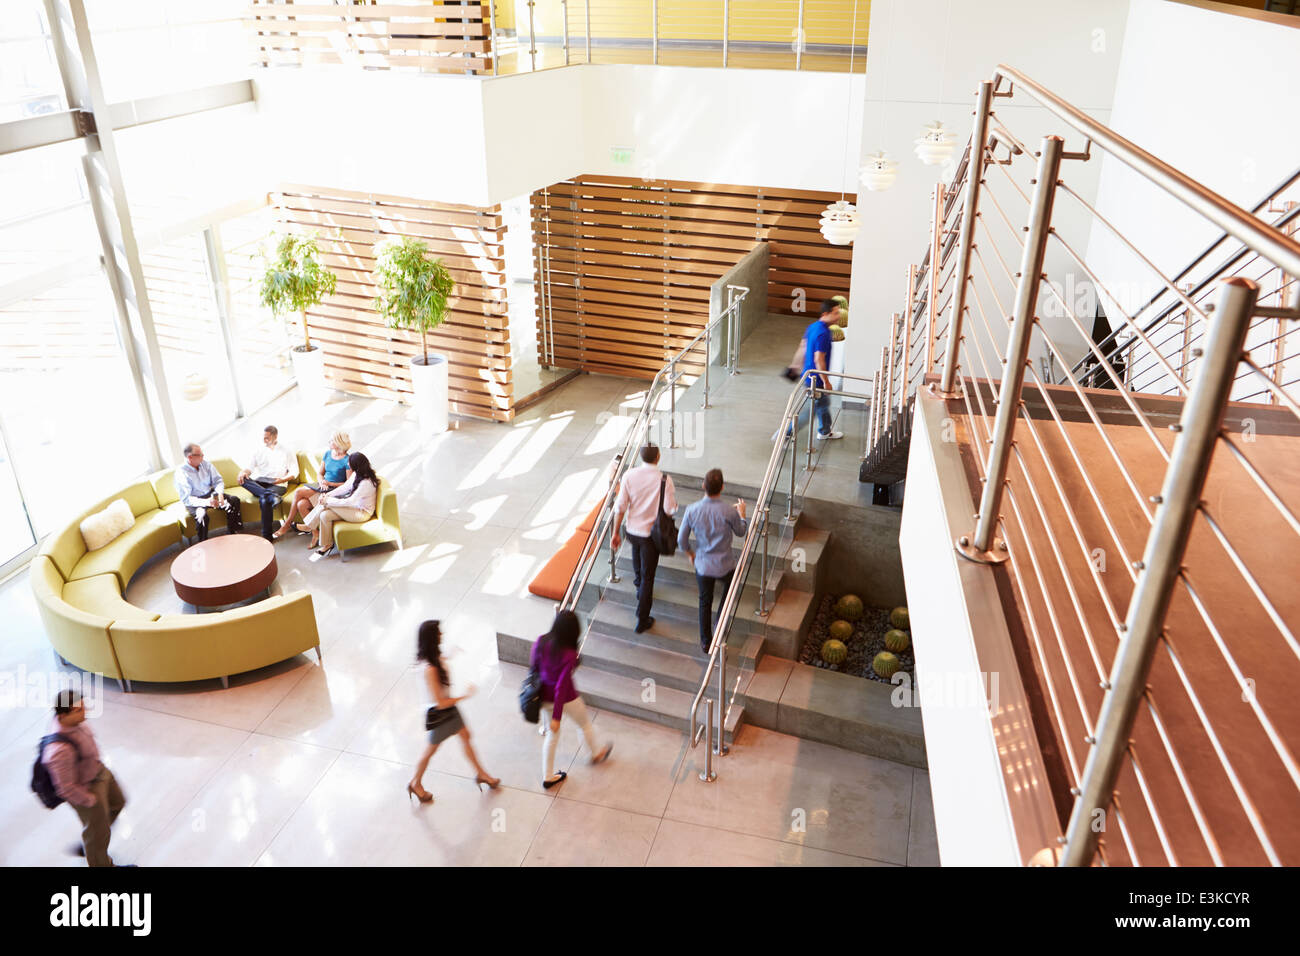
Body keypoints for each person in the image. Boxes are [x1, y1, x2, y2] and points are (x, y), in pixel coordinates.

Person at [407, 620, 499, 803]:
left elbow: (441, 661)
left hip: (449, 710)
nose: (442, 634)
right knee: (430, 750)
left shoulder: (430, 657)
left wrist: (452, 653)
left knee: (465, 735)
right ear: (432, 637)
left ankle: (481, 774)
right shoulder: (430, 669)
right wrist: (464, 696)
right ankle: (415, 783)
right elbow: (440, 703)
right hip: (440, 714)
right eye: (438, 632)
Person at [41, 690, 128, 867]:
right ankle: (100, 861)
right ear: (64, 715)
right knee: (99, 831)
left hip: (99, 772)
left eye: (83, 706)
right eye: (79, 709)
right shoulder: (58, 751)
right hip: (87, 788)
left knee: (118, 803)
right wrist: (89, 800)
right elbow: (65, 788)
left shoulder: (76, 723)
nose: (85, 711)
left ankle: (92, 841)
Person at [531, 610, 613, 789]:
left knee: (552, 735)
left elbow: (534, 668)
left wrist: (552, 718)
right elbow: (561, 687)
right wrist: (557, 717)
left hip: (543, 696)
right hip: (566, 699)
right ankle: (595, 754)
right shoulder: (569, 655)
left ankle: (548, 776)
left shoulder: (541, 641)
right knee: (583, 724)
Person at [677, 469, 748, 654]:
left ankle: (705, 642)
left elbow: (681, 540)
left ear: (703, 486)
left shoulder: (692, 510)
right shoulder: (728, 511)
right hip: (725, 565)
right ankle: (720, 621)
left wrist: (691, 554)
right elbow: (741, 532)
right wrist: (742, 514)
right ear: (722, 487)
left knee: (704, 602)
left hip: (703, 565)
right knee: (730, 588)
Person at [611, 443, 677, 634]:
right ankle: (642, 618)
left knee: (638, 559)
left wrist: (616, 532)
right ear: (658, 457)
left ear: (641, 457)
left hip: (632, 531)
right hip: (651, 535)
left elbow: (620, 506)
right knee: (649, 575)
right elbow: (670, 509)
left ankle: (639, 585)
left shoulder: (629, 475)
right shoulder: (665, 480)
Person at [774, 299, 844, 441]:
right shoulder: (823, 333)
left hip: (808, 375)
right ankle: (784, 434)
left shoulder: (813, 327)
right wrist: (826, 381)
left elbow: (802, 347)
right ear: (825, 314)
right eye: (836, 313)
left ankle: (825, 431)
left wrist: (795, 366)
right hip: (816, 379)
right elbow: (819, 359)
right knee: (809, 411)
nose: (838, 316)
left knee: (823, 405)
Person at [275, 431, 352, 540]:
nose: (329, 441)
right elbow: (320, 474)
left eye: (332, 440)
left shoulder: (347, 460)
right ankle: (315, 534)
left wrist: (329, 483)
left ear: (339, 442)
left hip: (333, 490)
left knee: (298, 492)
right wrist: (321, 481)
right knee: (301, 504)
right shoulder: (327, 454)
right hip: (322, 486)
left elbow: (348, 484)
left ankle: (287, 524)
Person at [299, 451, 379, 557]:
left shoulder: (366, 483)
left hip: (361, 513)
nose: (348, 465)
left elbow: (349, 501)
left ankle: (309, 526)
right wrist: (327, 495)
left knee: (325, 504)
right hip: (354, 508)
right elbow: (345, 488)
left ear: (356, 465)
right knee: (324, 515)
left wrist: (327, 501)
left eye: (350, 463)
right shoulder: (357, 474)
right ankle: (327, 544)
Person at [237, 424, 297, 540]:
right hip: (261, 481)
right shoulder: (258, 450)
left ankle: (267, 536)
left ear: (275, 436)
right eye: (263, 437)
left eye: (267, 438)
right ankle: (271, 496)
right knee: (242, 479)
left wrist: (282, 479)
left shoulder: (286, 450)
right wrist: (243, 472)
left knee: (264, 500)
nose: (264, 440)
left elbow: (295, 471)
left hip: (278, 483)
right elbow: (250, 468)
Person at [174, 442, 243, 541]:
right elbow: (186, 498)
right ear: (190, 457)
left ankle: (232, 532)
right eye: (200, 455)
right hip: (194, 501)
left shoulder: (206, 464)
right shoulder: (181, 473)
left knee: (234, 500)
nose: (203, 456)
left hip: (209, 493)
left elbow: (217, 480)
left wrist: (220, 493)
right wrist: (207, 502)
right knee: (202, 515)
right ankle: (203, 542)